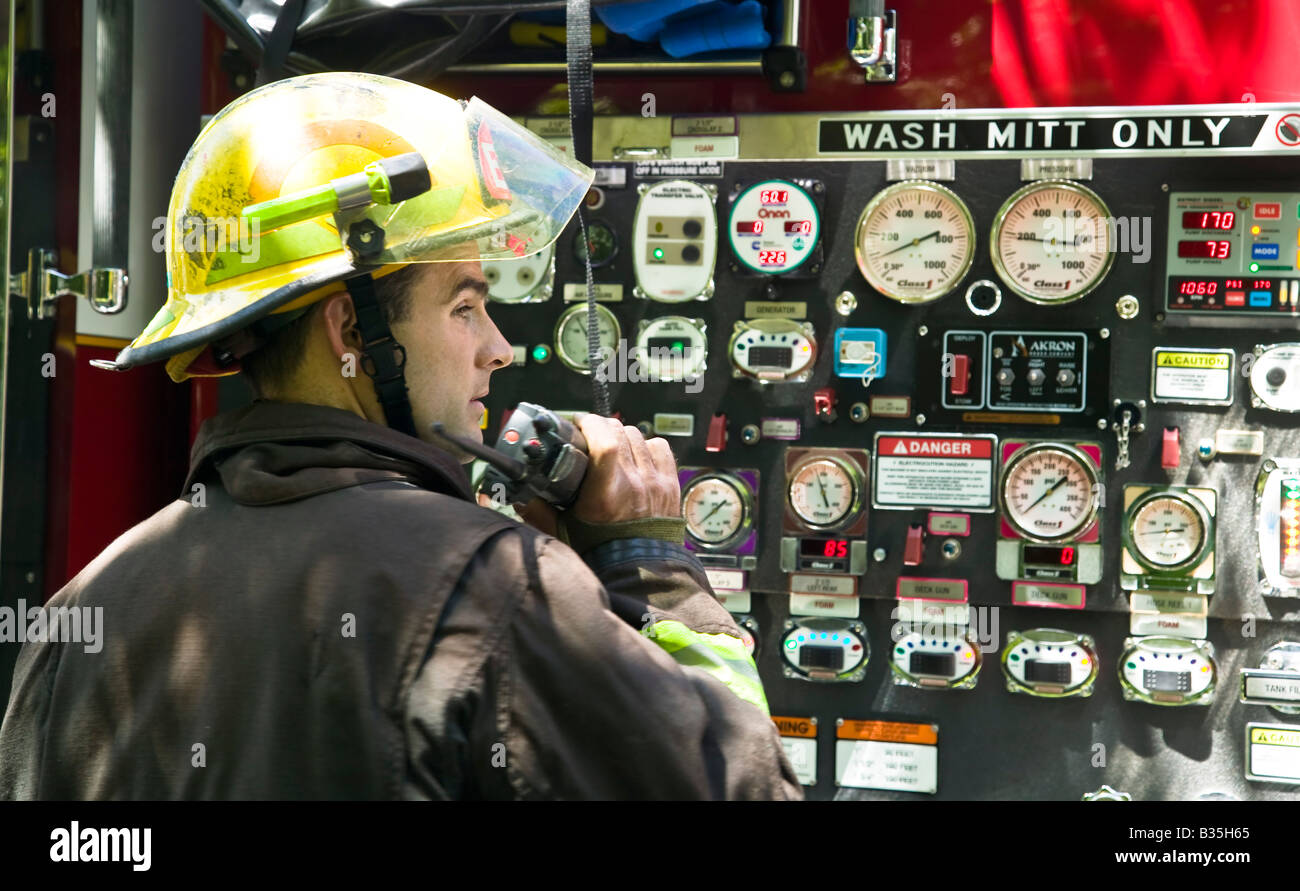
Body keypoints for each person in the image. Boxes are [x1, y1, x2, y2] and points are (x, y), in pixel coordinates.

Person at [0, 73, 802, 800]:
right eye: (464, 306)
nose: (499, 347)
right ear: (352, 330)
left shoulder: (83, 610)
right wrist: (651, 569)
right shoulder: (497, 590)